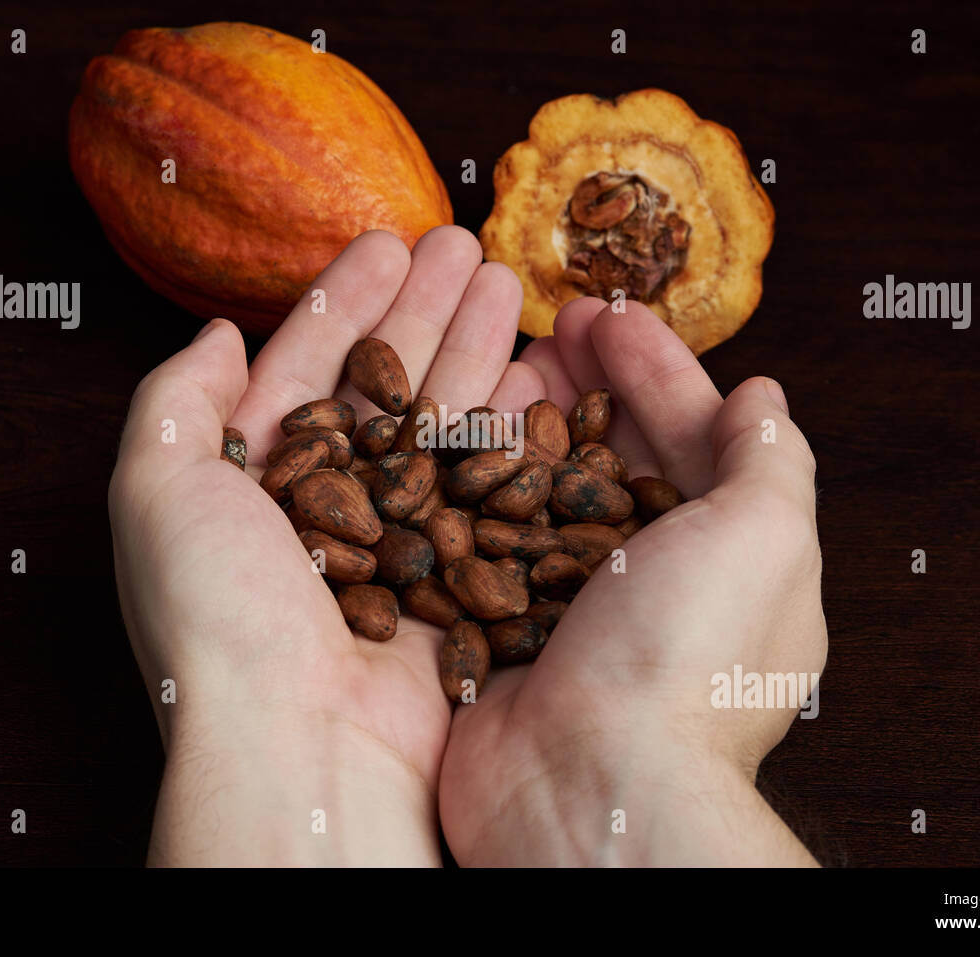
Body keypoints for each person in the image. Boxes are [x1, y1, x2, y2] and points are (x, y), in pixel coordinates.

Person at [108, 226, 827, 866]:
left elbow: (461, 534)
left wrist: (275, 730)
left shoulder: (492, 524)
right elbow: (415, 532)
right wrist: (639, 755)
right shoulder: (401, 511)